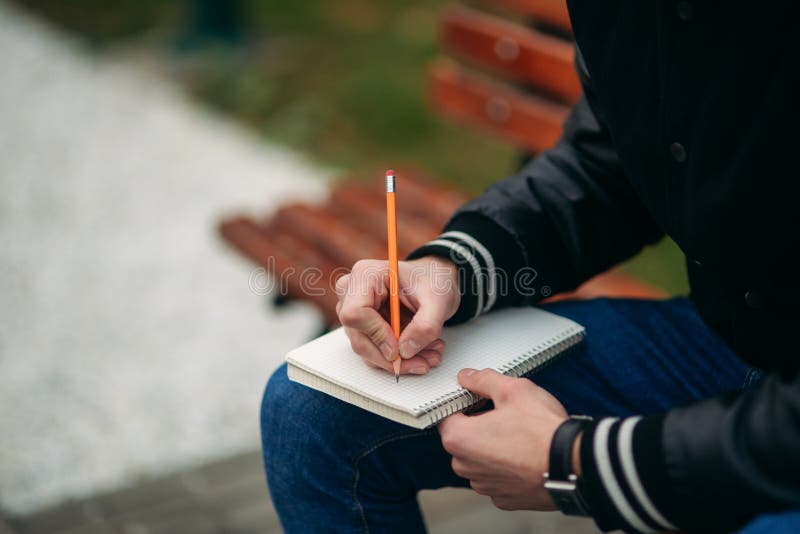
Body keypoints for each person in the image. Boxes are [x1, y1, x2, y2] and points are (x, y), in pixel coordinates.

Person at [261, 2, 799, 532]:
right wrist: (455, 265)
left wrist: (583, 464)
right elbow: (606, 160)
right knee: (309, 414)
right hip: (731, 336)